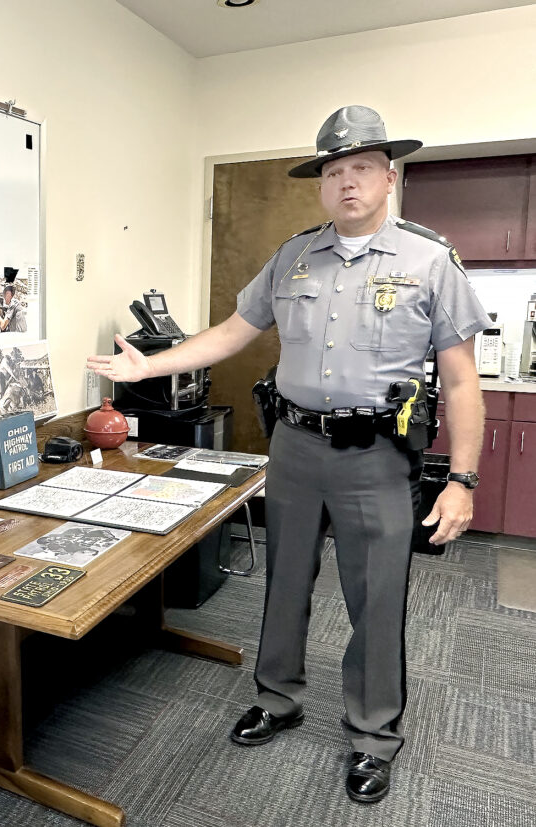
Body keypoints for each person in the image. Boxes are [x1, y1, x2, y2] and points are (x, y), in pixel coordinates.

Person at [87, 106, 490, 805]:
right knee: (284, 582)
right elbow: (229, 333)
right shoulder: (293, 257)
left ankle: (373, 735)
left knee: (377, 597)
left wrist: (462, 480)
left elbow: (461, 381)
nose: (347, 181)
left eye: (362, 168)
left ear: (389, 178)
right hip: (295, 447)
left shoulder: (430, 262)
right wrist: (149, 367)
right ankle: (277, 698)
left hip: (377, 456)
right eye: (334, 172)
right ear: (321, 185)